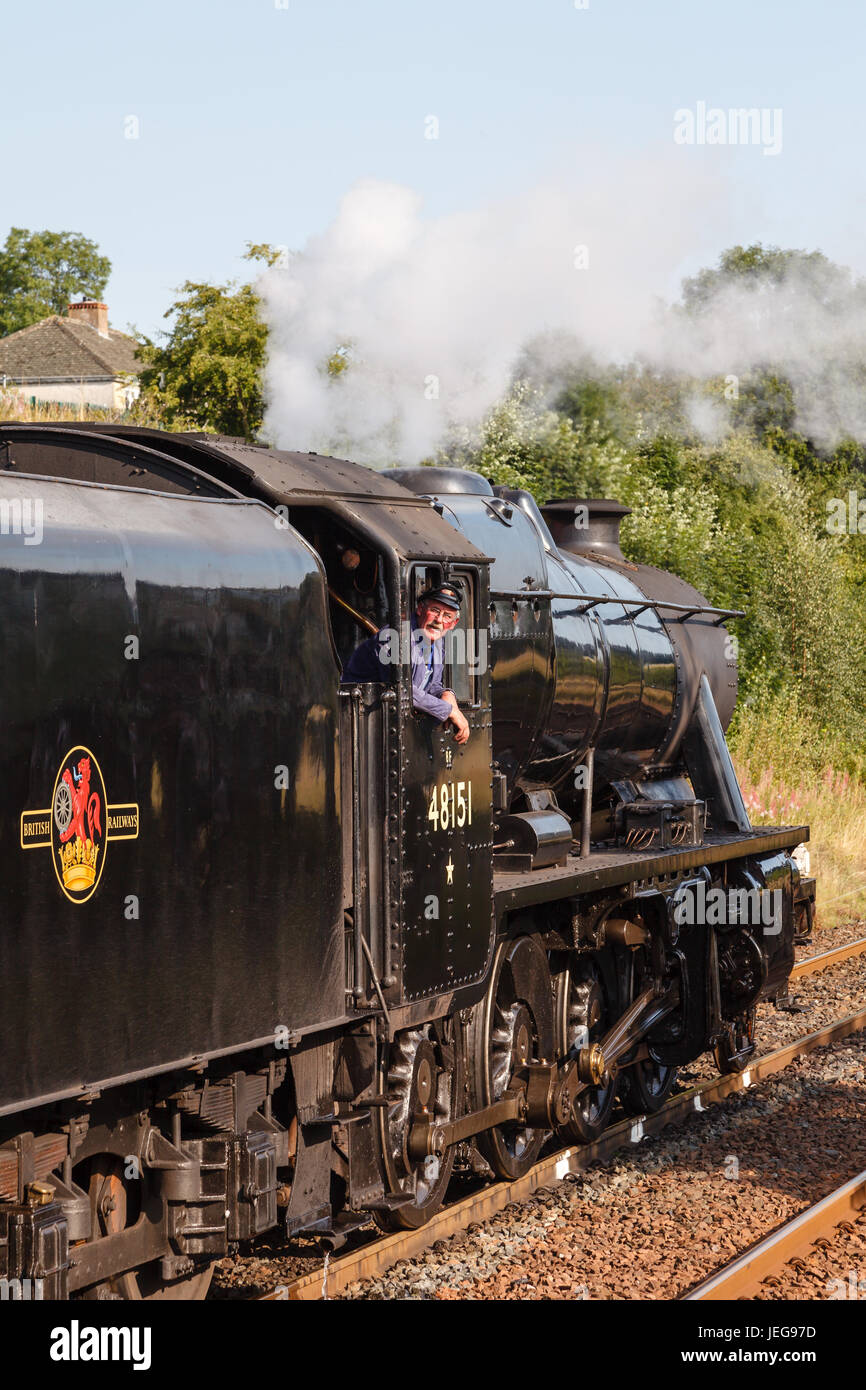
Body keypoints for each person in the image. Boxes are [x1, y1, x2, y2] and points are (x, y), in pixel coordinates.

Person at [341, 584, 470, 744]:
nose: (439, 620)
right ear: (420, 609)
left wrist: (447, 694)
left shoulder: (437, 641)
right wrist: (450, 711)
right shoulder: (394, 638)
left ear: (453, 623)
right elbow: (402, 689)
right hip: (360, 724)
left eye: (447, 616)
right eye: (435, 610)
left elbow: (431, 683)